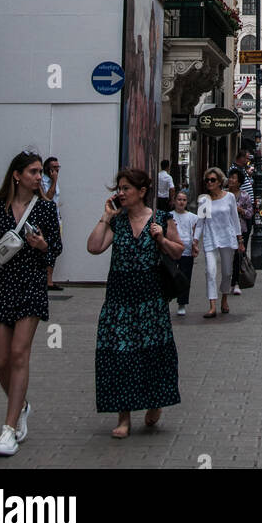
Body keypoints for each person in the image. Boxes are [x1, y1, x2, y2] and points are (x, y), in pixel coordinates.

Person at [0, 150, 62, 456]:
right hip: (3, 286)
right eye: (33, 172)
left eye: (40, 172)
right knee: (1, 361)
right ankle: (21, 406)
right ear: (17, 175)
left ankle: (8, 429)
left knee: (19, 354)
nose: (39, 177)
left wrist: (43, 245)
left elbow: (56, 249)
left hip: (31, 285)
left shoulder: (46, 209)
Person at [87, 166, 183, 438]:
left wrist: (160, 238)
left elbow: (178, 251)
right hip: (119, 301)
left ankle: (154, 402)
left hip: (150, 300)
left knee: (152, 355)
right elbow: (94, 247)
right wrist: (105, 217)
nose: (121, 193)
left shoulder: (162, 219)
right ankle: (124, 418)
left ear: (141, 191)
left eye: (126, 188)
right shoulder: (117, 222)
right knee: (120, 357)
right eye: (119, 188)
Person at [195, 168, 244, 318]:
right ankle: (212, 305)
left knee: (227, 272)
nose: (209, 182)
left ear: (220, 182)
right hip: (210, 239)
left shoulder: (229, 197)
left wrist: (240, 239)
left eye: (213, 180)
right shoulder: (204, 199)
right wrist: (195, 240)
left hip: (227, 238)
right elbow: (200, 222)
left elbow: (234, 219)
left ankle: (224, 298)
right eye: (207, 180)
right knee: (210, 271)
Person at [171, 190, 199, 316]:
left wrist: (194, 245)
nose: (181, 202)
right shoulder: (169, 216)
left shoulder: (192, 217)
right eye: (179, 199)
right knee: (170, 276)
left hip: (186, 250)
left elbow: (195, 232)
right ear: (174, 201)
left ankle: (182, 303)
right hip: (172, 249)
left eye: (184, 200)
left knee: (185, 277)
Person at [226, 169, 254, 296]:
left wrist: (240, 210)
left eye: (234, 178)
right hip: (226, 229)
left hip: (241, 229)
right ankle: (228, 280)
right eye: (230, 177)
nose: (231, 180)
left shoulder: (244, 196)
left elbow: (250, 213)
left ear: (239, 182)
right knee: (228, 256)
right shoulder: (223, 194)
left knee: (238, 256)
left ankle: (236, 282)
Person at [40, 156, 63, 289]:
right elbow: (47, 198)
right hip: (46, 221)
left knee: (56, 248)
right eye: (53, 167)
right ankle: (48, 281)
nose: (56, 170)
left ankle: (48, 279)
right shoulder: (43, 181)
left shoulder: (55, 181)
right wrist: (54, 181)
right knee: (49, 249)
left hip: (56, 218)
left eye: (57, 167)